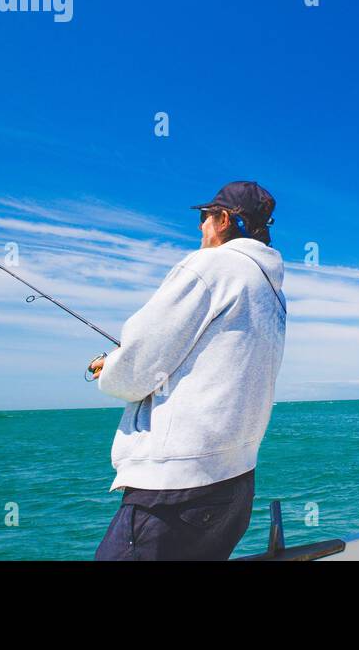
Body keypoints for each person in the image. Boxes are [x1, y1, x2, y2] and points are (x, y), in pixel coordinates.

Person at [92, 181, 285, 560]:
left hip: (175, 490)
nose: (200, 227)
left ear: (225, 219)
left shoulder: (210, 266)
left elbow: (135, 370)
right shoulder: (271, 290)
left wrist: (110, 368)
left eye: (205, 217)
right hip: (236, 486)